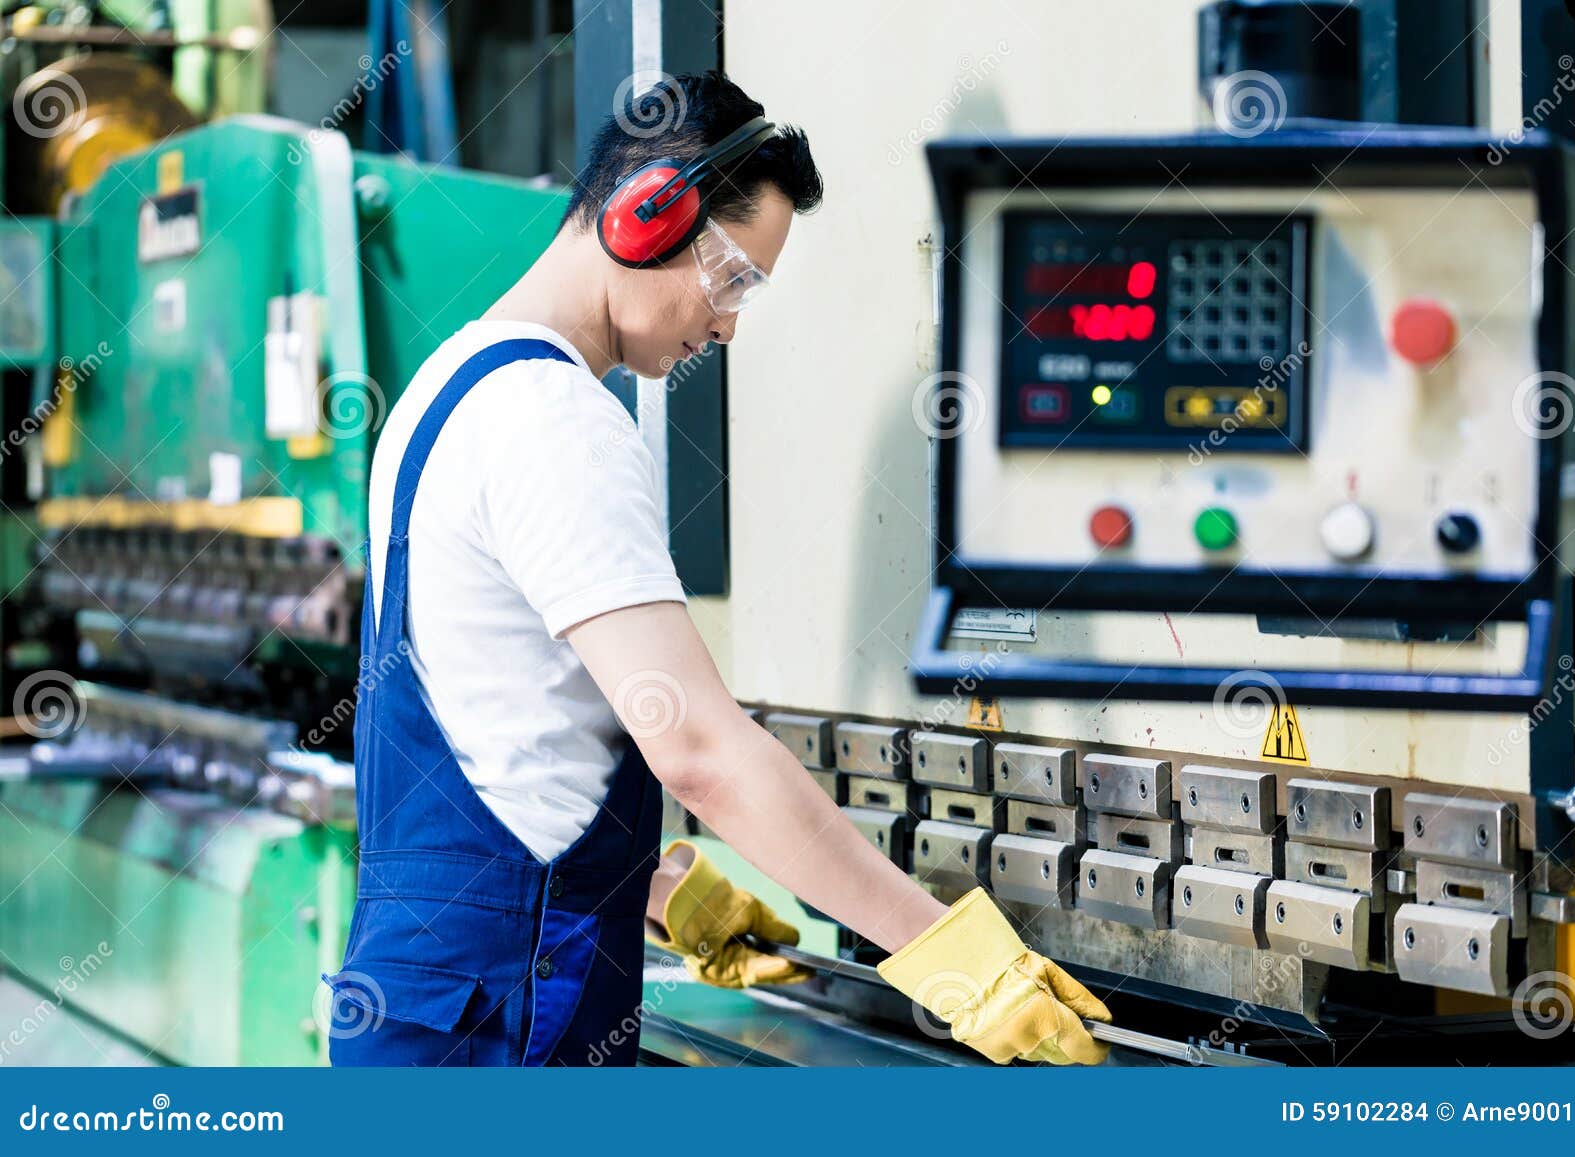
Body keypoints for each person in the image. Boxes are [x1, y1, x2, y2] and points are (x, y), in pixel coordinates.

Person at [323, 71, 1111, 1067]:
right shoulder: (556, 421)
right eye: (732, 277)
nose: (729, 325)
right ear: (645, 212)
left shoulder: (448, 386)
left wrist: (657, 890)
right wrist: (949, 955)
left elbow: (499, 728)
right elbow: (695, 743)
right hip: (504, 1020)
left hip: (434, 1000)